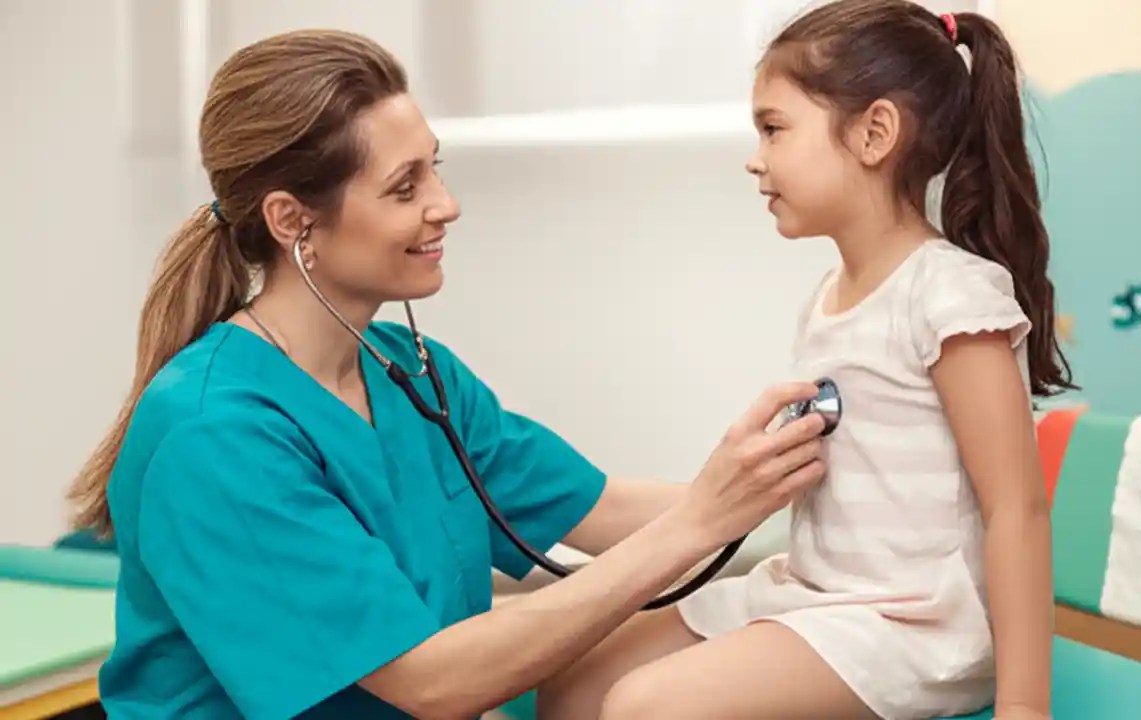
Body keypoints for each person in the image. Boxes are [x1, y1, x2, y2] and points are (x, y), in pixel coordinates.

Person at [66, 29, 831, 720]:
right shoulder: (216, 437)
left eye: (436, 170)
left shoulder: (410, 374)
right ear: (292, 220)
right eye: (406, 188)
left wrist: (820, 481)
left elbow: (601, 509)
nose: (447, 205)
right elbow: (432, 682)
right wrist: (706, 519)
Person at [537, 3, 1070, 719]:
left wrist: (1025, 707)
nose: (755, 157)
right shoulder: (829, 296)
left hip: (910, 624)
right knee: (573, 683)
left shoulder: (951, 294)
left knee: (645, 706)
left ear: (875, 133)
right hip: (815, 594)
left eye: (773, 128)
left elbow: (1018, 510)